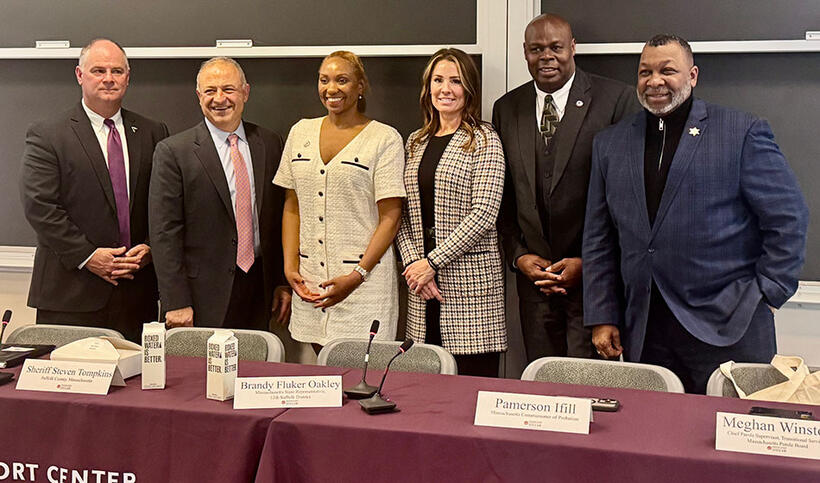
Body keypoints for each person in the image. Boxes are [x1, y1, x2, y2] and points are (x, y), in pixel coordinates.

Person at [583, 34, 808, 393]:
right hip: (645, 329)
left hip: (729, 324)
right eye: (645, 72)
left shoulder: (741, 132)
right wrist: (602, 314)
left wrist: (769, 292)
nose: (655, 81)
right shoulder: (610, 143)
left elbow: (789, 217)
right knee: (656, 427)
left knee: (731, 428)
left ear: (692, 75)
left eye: (667, 70)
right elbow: (599, 238)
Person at [493, 14, 640, 362]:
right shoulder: (507, 108)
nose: (547, 56)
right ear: (525, 52)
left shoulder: (616, 100)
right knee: (541, 383)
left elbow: (630, 200)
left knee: (588, 387)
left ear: (572, 48)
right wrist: (519, 256)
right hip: (534, 287)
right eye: (536, 49)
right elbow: (504, 199)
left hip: (594, 286)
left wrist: (588, 264)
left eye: (556, 47)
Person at [20, 38, 168, 342]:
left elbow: (165, 203)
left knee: (135, 373)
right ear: (80, 75)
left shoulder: (153, 132)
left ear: (128, 77)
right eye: (98, 70)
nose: (108, 79)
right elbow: (40, 205)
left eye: (117, 71)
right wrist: (88, 256)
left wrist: (151, 247)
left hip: (136, 293)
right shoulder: (48, 134)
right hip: (70, 294)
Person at [274, 51, 405, 350]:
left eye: (342, 80)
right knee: (322, 371)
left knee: (363, 371)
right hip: (311, 282)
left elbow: (391, 217)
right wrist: (290, 267)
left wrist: (357, 275)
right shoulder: (300, 132)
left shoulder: (384, 139)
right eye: (324, 80)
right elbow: (292, 206)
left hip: (364, 287)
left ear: (360, 86)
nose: (331, 88)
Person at [149, 57, 290, 330]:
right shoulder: (173, 152)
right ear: (199, 96)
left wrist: (280, 282)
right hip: (200, 296)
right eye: (210, 91)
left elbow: (277, 219)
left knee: (256, 357)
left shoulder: (270, 143)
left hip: (259, 290)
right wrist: (175, 301)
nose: (219, 98)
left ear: (245, 92)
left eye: (228, 89)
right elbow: (164, 232)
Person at [396, 48, 507, 377]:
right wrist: (414, 266)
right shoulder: (415, 141)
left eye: (455, 81)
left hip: (470, 290)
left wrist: (431, 263)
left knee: (471, 388)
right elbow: (400, 213)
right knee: (426, 388)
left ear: (468, 88)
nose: (445, 89)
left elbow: (484, 214)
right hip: (421, 287)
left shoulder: (485, 139)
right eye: (438, 80)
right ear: (428, 87)